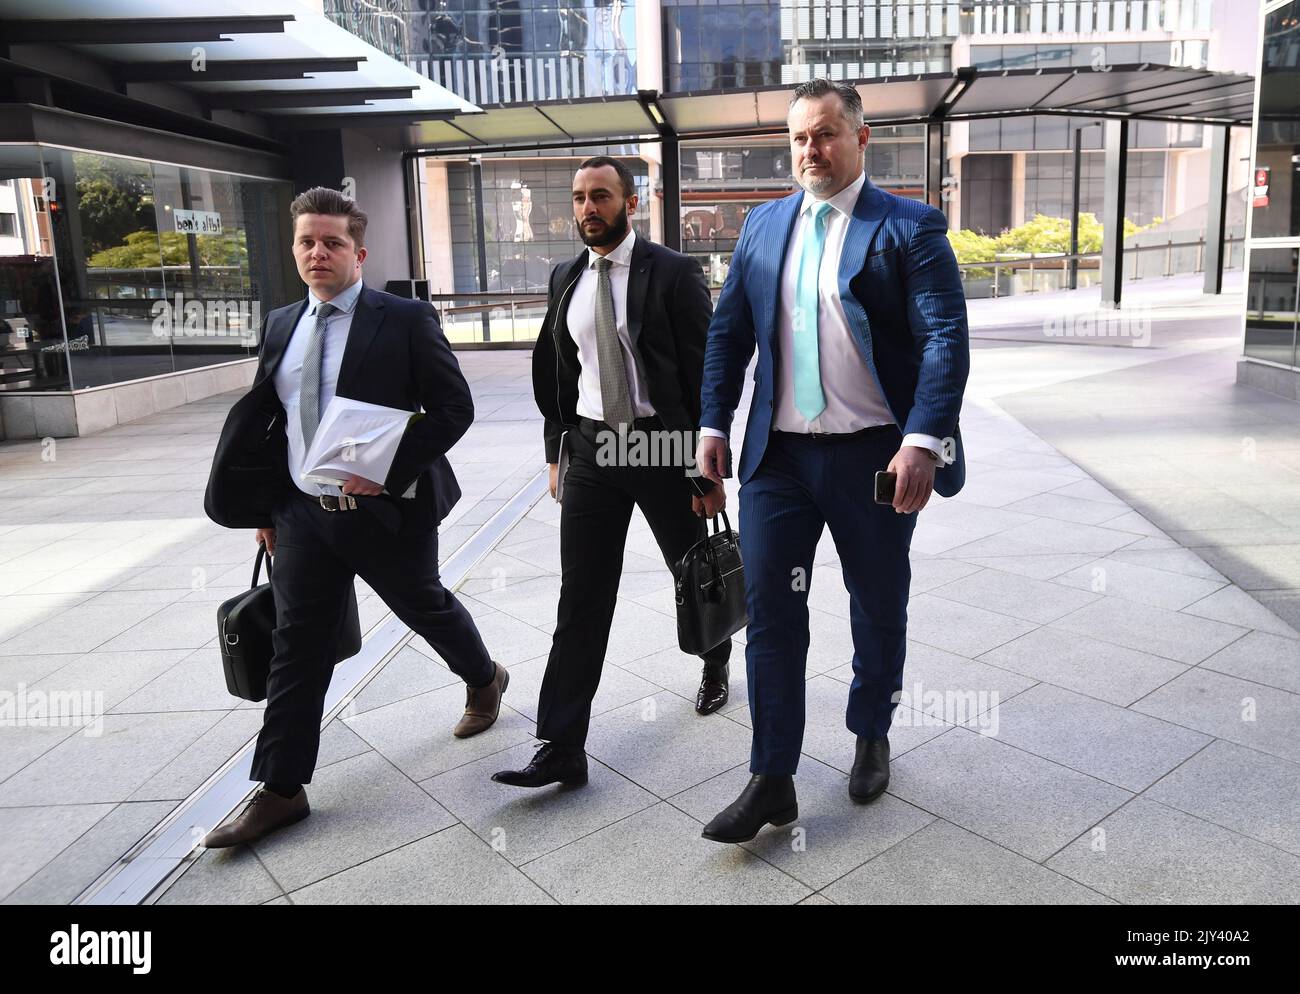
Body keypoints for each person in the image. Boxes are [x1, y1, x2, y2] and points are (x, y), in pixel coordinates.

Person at [694, 80, 970, 843]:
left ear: (860, 138)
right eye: (798, 140)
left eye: (824, 135)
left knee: (876, 602)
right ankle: (771, 776)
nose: (810, 152)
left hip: (874, 457)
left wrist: (922, 439)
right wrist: (712, 424)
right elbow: (728, 336)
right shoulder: (762, 226)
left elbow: (946, 339)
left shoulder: (909, 228)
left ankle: (870, 730)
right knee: (772, 616)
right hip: (777, 461)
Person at [202, 187, 506, 847]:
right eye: (307, 241)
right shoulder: (281, 324)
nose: (318, 252)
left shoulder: (403, 318)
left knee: (423, 605)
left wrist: (384, 467)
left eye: (332, 242)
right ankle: (281, 789)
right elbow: (275, 424)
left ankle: (484, 677)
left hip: (385, 511)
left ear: (359, 252)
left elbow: (453, 410)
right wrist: (267, 508)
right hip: (302, 515)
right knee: (296, 648)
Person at [492, 156, 729, 790]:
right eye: (578, 198)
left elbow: (704, 369)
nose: (587, 208)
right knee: (582, 597)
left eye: (600, 196)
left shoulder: (674, 273)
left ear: (629, 201)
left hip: (660, 446)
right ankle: (561, 744)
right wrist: (557, 448)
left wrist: (705, 466)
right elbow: (557, 372)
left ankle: (715, 657)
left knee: (692, 570)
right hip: (595, 450)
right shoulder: (565, 277)